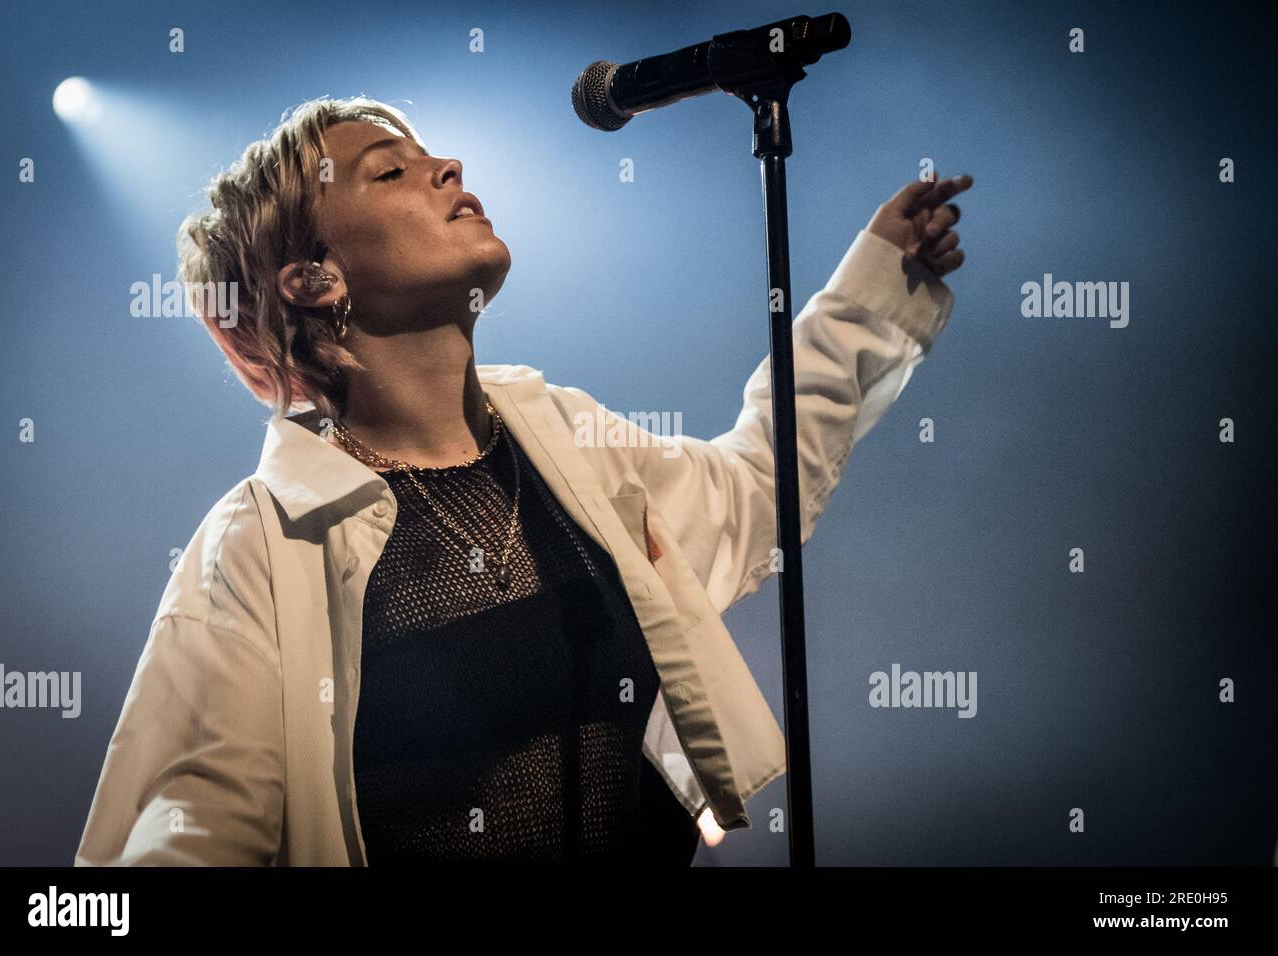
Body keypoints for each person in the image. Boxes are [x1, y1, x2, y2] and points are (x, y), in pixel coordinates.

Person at [75, 95, 971, 866]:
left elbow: (755, 486)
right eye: (390, 173)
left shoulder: (569, 445)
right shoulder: (261, 544)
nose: (447, 165)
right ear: (313, 279)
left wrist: (868, 292)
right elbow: (189, 833)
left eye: (430, 157)